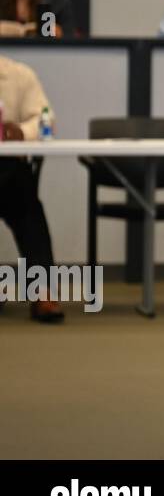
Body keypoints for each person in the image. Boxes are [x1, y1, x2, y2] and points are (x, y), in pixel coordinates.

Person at [0, 54, 63, 322]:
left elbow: (44, 118)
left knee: (28, 210)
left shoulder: (19, 75)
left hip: (8, 168)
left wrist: (21, 132)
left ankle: (42, 292)